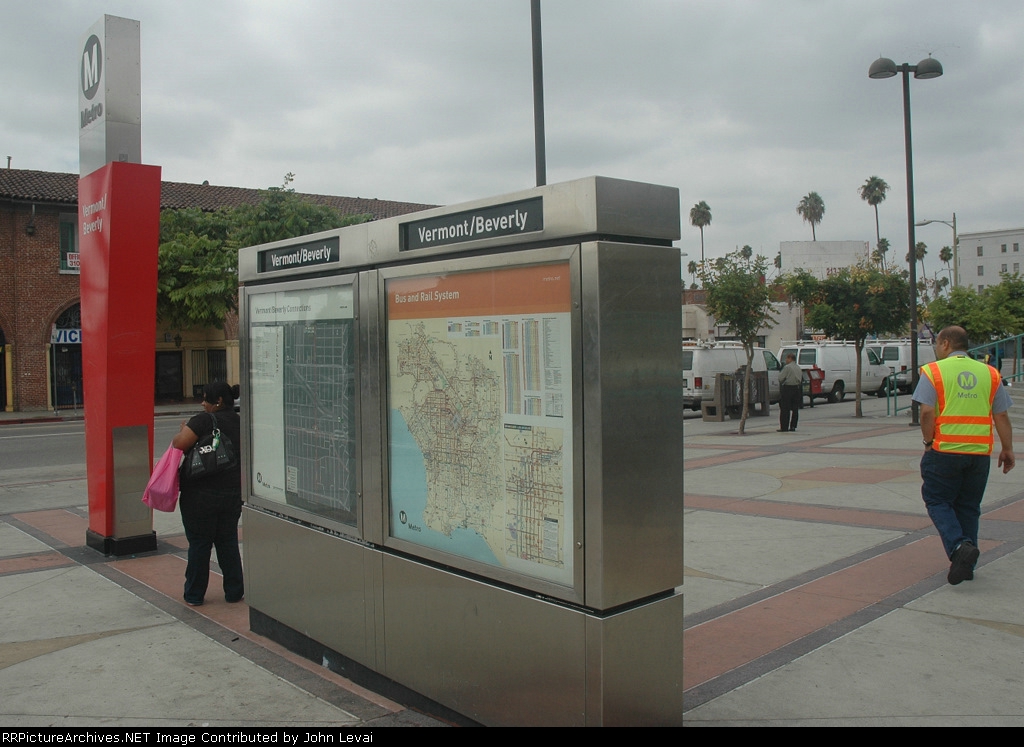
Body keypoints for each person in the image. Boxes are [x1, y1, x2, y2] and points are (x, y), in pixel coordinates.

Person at [912, 326, 1015, 585]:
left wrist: (928, 442)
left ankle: (959, 547)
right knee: (969, 507)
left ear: (946, 343)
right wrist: (1007, 448)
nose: (936, 348)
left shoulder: (934, 371)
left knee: (937, 500)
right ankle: (966, 567)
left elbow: (926, 413)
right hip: (979, 454)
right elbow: (1001, 415)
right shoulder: (990, 373)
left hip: (944, 450)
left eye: (937, 343)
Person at [171, 381, 244, 606]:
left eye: (205, 398)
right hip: (232, 493)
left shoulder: (202, 421)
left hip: (200, 495)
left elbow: (179, 444)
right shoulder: (240, 421)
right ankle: (234, 591)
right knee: (228, 541)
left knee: (200, 544)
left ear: (218, 400)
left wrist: (183, 430)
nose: (202, 403)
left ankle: (194, 594)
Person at [778, 353, 803, 432]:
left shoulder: (787, 367)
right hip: (797, 388)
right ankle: (793, 426)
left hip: (788, 388)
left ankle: (784, 427)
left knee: (785, 409)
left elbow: (780, 378)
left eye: (787, 358)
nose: (786, 360)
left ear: (790, 358)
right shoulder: (798, 367)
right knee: (795, 409)